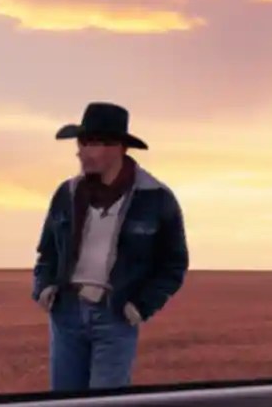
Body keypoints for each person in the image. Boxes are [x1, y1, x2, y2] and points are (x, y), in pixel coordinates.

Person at [31, 102, 189, 391]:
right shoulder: (67, 193)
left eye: (91, 144)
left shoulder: (155, 198)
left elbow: (173, 264)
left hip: (115, 316)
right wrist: (43, 287)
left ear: (118, 147)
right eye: (81, 143)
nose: (81, 152)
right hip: (66, 314)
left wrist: (140, 306)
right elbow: (47, 252)